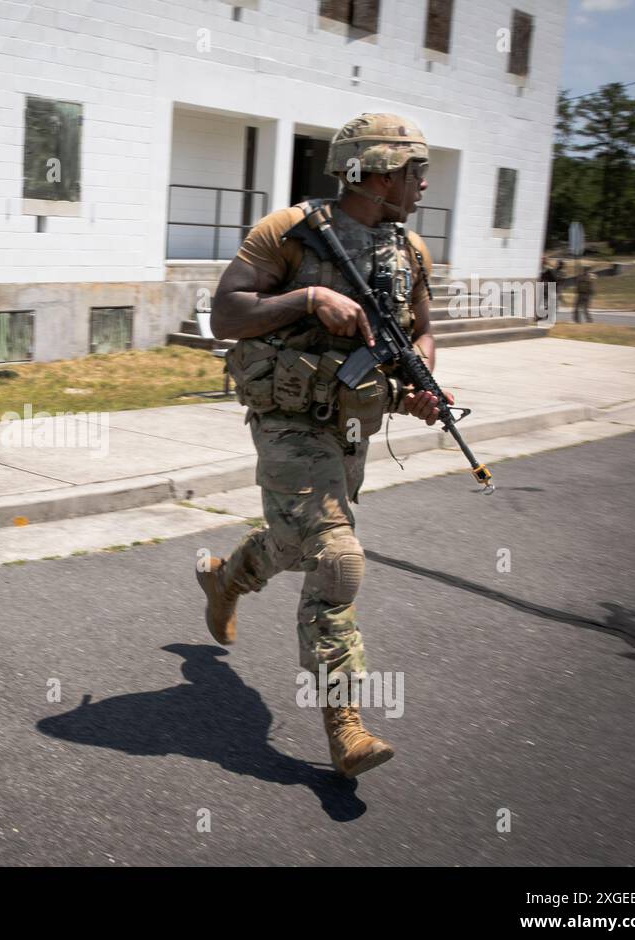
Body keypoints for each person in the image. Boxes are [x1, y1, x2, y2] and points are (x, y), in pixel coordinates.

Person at [193, 113, 454, 779]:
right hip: (287, 422)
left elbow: (422, 331)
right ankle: (346, 726)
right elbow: (225, 315)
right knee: (337, 557)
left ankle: (225, 580)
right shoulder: (286, 233)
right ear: (375, 171)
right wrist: (308, 298)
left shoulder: (410, 249)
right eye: (414, 170)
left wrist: (422, 382)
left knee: (295, 542)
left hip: (352, 425)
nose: (424, 182)